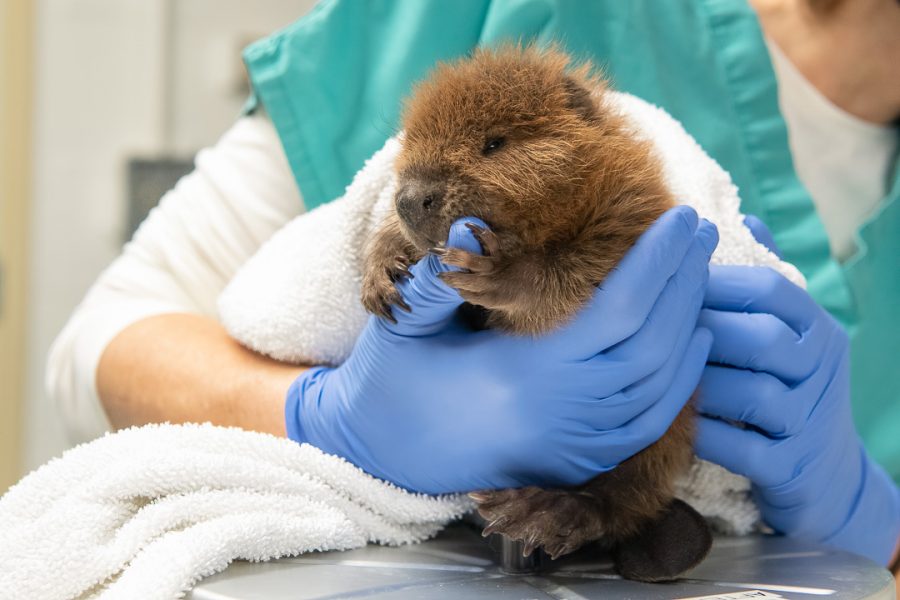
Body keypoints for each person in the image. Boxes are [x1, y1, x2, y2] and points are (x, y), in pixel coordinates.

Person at [47, 0, 899, 573]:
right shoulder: (446, 23)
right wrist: (327, 415)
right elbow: (99, 340)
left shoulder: (619, 172)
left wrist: (876, 528)